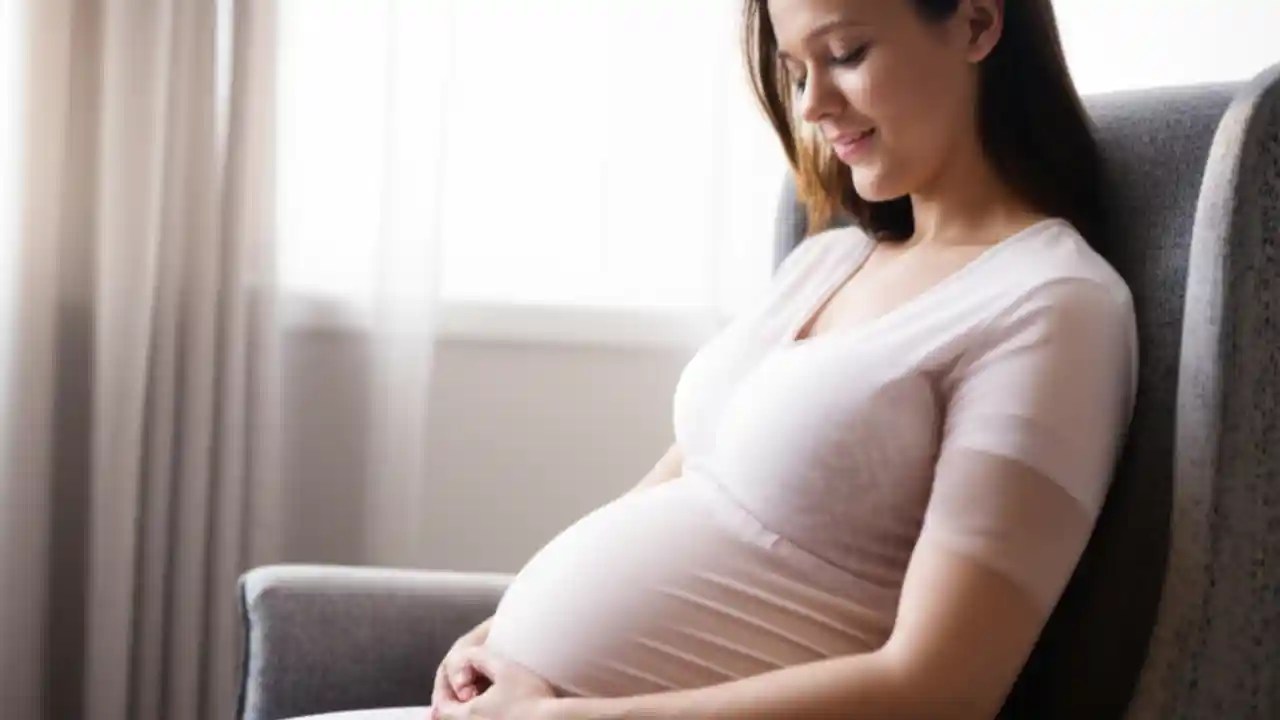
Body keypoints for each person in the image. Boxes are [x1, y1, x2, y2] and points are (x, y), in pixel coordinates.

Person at [294, 0, 1138, 718]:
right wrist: (500, 629)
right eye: (796, 70)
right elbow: (679, 482)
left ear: (978, 22)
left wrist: (581, 717)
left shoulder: (1050, 303)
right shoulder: (829, 260)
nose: (812, 106)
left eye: (845, 54)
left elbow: (943, 688)